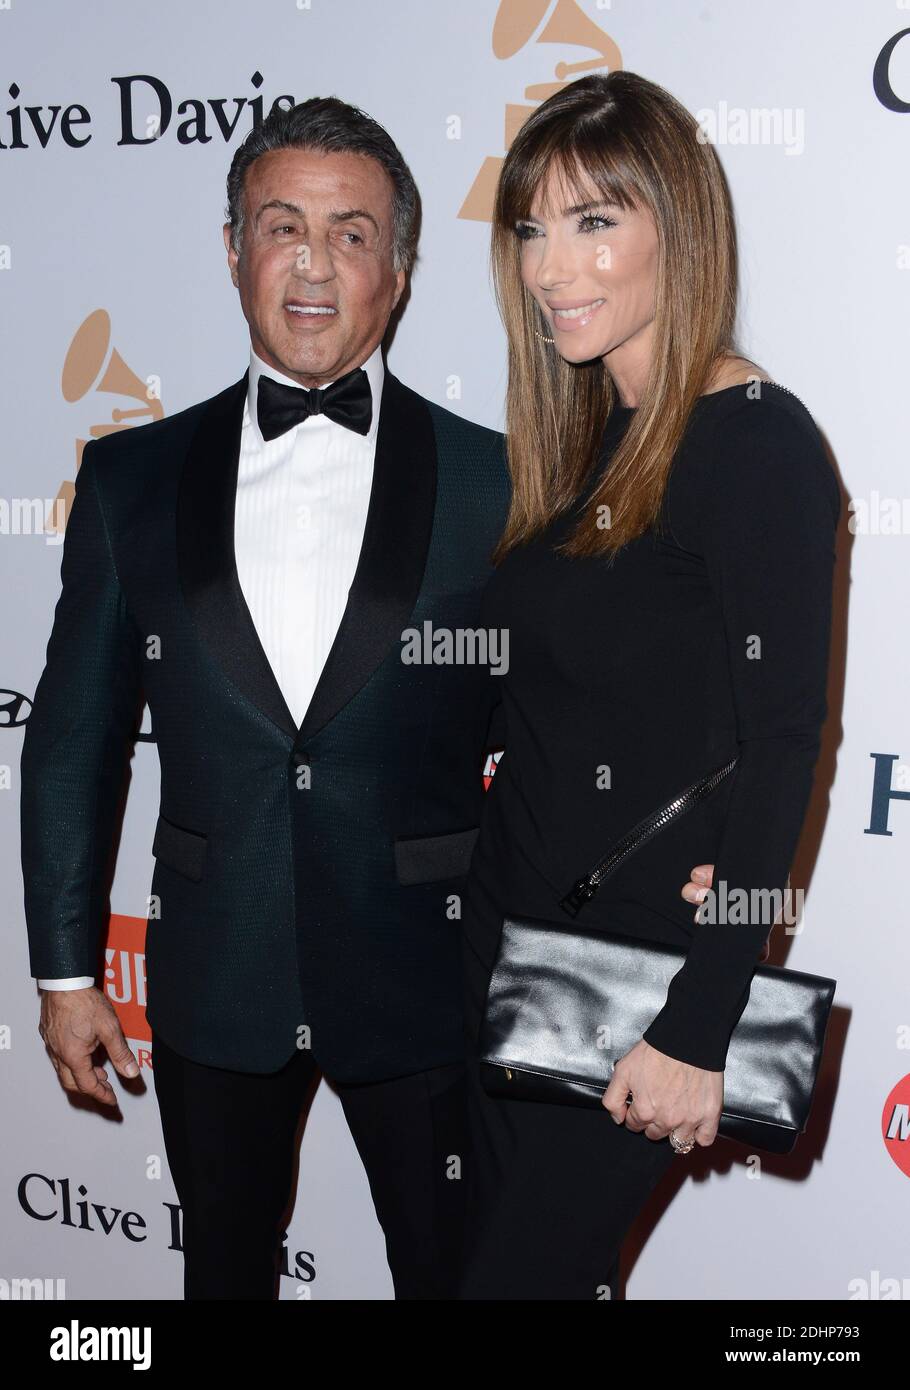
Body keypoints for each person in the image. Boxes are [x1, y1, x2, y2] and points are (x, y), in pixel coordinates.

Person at [20, 92, 719, 1301]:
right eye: (279, 224)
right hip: (214, 978)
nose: (310, 260)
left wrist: (679, 858)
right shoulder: (129, 476)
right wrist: (64, 969)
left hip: (432, 981)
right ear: (233, 249)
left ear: (397, 272)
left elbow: (574, 729)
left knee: (453, 1279)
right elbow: (74, 738)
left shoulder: (506, 480)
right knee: (221, 1279)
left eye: (351, 233)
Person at [457, 70, 840, 1301]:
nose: (548, 265)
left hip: (640, 986)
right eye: (531, 226)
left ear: (676, 225)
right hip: (511, 960)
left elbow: (787, 744)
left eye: (592, 221)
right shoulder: (579, 444)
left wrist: (701, 1018)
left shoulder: (758, 442)